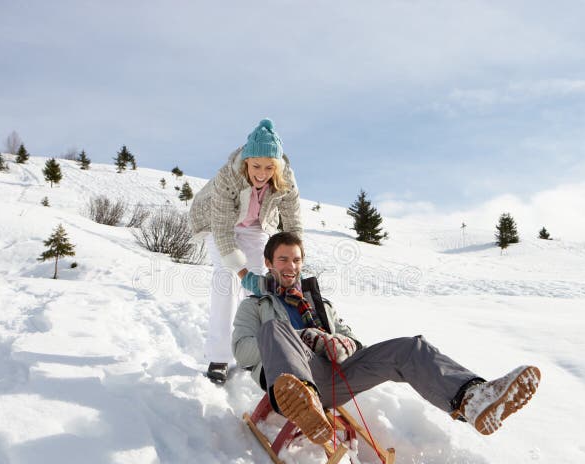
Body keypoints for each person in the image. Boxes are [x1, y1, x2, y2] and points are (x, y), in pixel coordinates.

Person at [232, 232, 541, 443]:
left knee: (409, 348)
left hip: (336, 375)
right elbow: (243, 352)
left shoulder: (320, 305)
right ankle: (303, 402)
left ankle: (473, 400)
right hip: (289, 383)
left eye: (296, 260)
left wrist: (343, 343)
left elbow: (354, 340)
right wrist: (301, 336)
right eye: (283, 260)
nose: (291, 266)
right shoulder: (256, 306)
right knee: (273, 329)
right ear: (269, 264)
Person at [189, 119, 303, 383]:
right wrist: (241, 271)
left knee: (260, 288)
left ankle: (259, 350)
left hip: (256, 227)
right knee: (226, 280)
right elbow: (223, 231)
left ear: (277, 166)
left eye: (268, 167)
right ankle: (219, 357)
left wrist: (294, 264)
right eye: (256, 166)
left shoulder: (286, 180)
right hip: (220, 224)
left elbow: (293, 223)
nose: (261, 173)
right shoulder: (229, 176)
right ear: (246, 162)